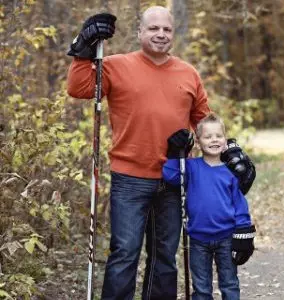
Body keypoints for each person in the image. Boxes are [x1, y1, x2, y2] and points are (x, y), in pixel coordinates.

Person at [67, 6, 255, 300]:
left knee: (165, 255)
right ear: (140, 32)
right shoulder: (117, 65)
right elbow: (78, 87)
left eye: (166, 29)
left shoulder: (188, 73)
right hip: (129, 178)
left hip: (175, 179)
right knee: (125, 252)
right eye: (153, 28)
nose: (161, 34)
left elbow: (205, 121)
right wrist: (82, 51)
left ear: (173, 34)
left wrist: (229, 151)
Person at [162, 113, 256, 300]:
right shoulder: (191, 167)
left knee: (229, 284)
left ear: (225, 139)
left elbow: (240, 205)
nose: (214, 140)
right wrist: (174, 153)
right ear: (198, 142)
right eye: (208, 136)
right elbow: (171, 176)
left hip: (227, 237)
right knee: (202, 288)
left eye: (218, 136)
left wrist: (244, 233)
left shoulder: (231, 172)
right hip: (198, 239)